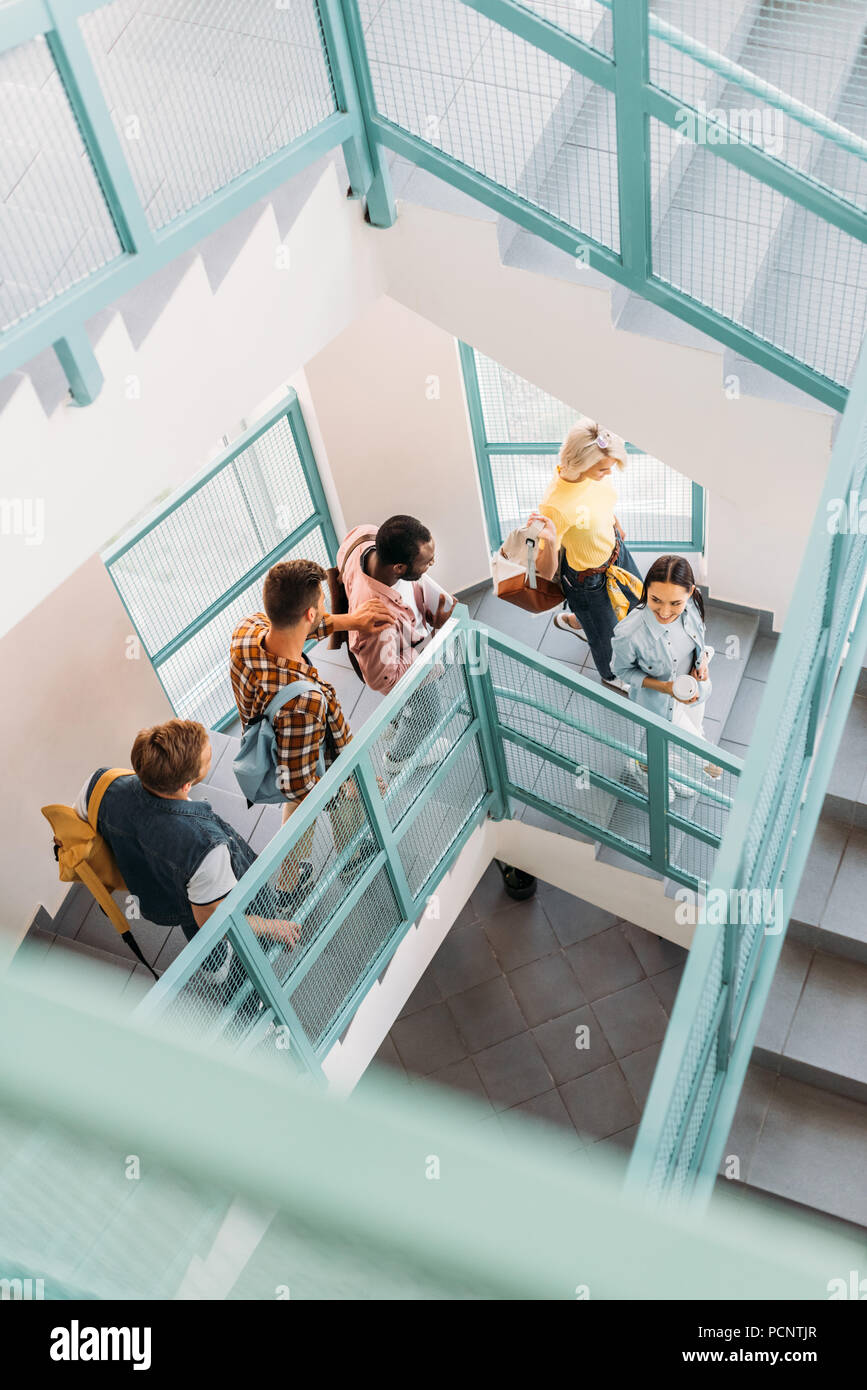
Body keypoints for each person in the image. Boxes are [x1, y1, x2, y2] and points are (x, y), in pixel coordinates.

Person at [72, 719, 299, 983]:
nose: (210, 753)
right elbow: (212, 921)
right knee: (196, 917)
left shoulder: (99, 784)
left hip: (154, 894)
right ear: (186, 785)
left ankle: (214, 968)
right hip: (198, 896)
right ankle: (222, 970)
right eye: (207, 758)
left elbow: (82, 826)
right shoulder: (206, 850)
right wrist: (273, 927)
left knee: (188, 912)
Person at [230, 559, 390, 882]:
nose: (323, 607)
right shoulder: (303, 704)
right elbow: (301, 786)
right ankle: (353, 858)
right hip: (320, 759)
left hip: (273, 740)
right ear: (309, 613)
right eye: (321, 603)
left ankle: (288, 881)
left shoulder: (246, 632)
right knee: (334, 801)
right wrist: (351, 787)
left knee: (299, 803)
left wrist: (352, 621)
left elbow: (302, 626)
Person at [337, 515, 456, 775]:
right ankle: (397, 759)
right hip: (397, 658)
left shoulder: (364, 536)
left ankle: (402, 716)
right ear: (399, 568)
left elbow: (342, 553)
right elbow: (383, 678)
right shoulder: (376, 622)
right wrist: (431, 650)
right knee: (429, 714)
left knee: (415, 706)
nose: (432, 564)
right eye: (426, 562)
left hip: (399, 645)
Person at [534, 417, 644, 693]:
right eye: (603, 469)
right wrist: (547, 539)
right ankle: (610, 675)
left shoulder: (591, 476)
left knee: (636, 605)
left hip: (617, 555)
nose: (608, 473)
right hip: (589, 581)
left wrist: (615, 525)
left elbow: (600, 500)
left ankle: (578, 621)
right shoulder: (556, 505)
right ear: (581, 463)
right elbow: (545, 572)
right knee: (606, 638)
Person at [610, 555, 722, 794]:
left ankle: (660, 765)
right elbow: (620, 670)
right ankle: (642, 767)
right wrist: (666, 688)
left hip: (693, 691)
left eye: (675, 603)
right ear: (646, 590)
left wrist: (703, 665)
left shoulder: (692, 606)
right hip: (660, 702)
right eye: (655, 599)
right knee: (706, 762)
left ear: (690, 592)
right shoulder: (630, 633)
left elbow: (698, 641)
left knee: (690, 735)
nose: (664, 611)